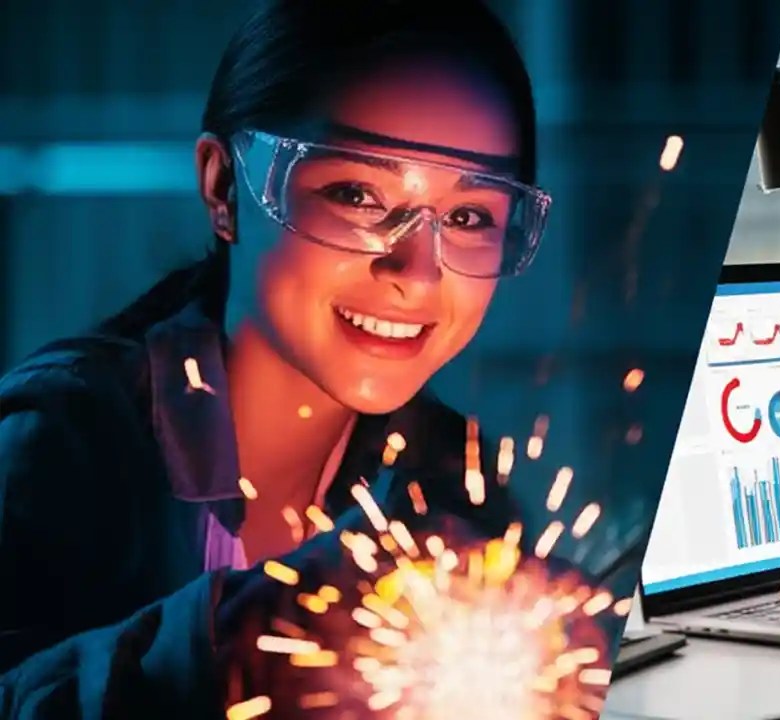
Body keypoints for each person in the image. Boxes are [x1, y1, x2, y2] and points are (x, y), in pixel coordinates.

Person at [0, 1, 623, 716]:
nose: (419, 272)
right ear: (224, 187)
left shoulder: (452, 482)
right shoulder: (60, 441)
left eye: (467, 216)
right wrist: (235, 638)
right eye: (357, 195)